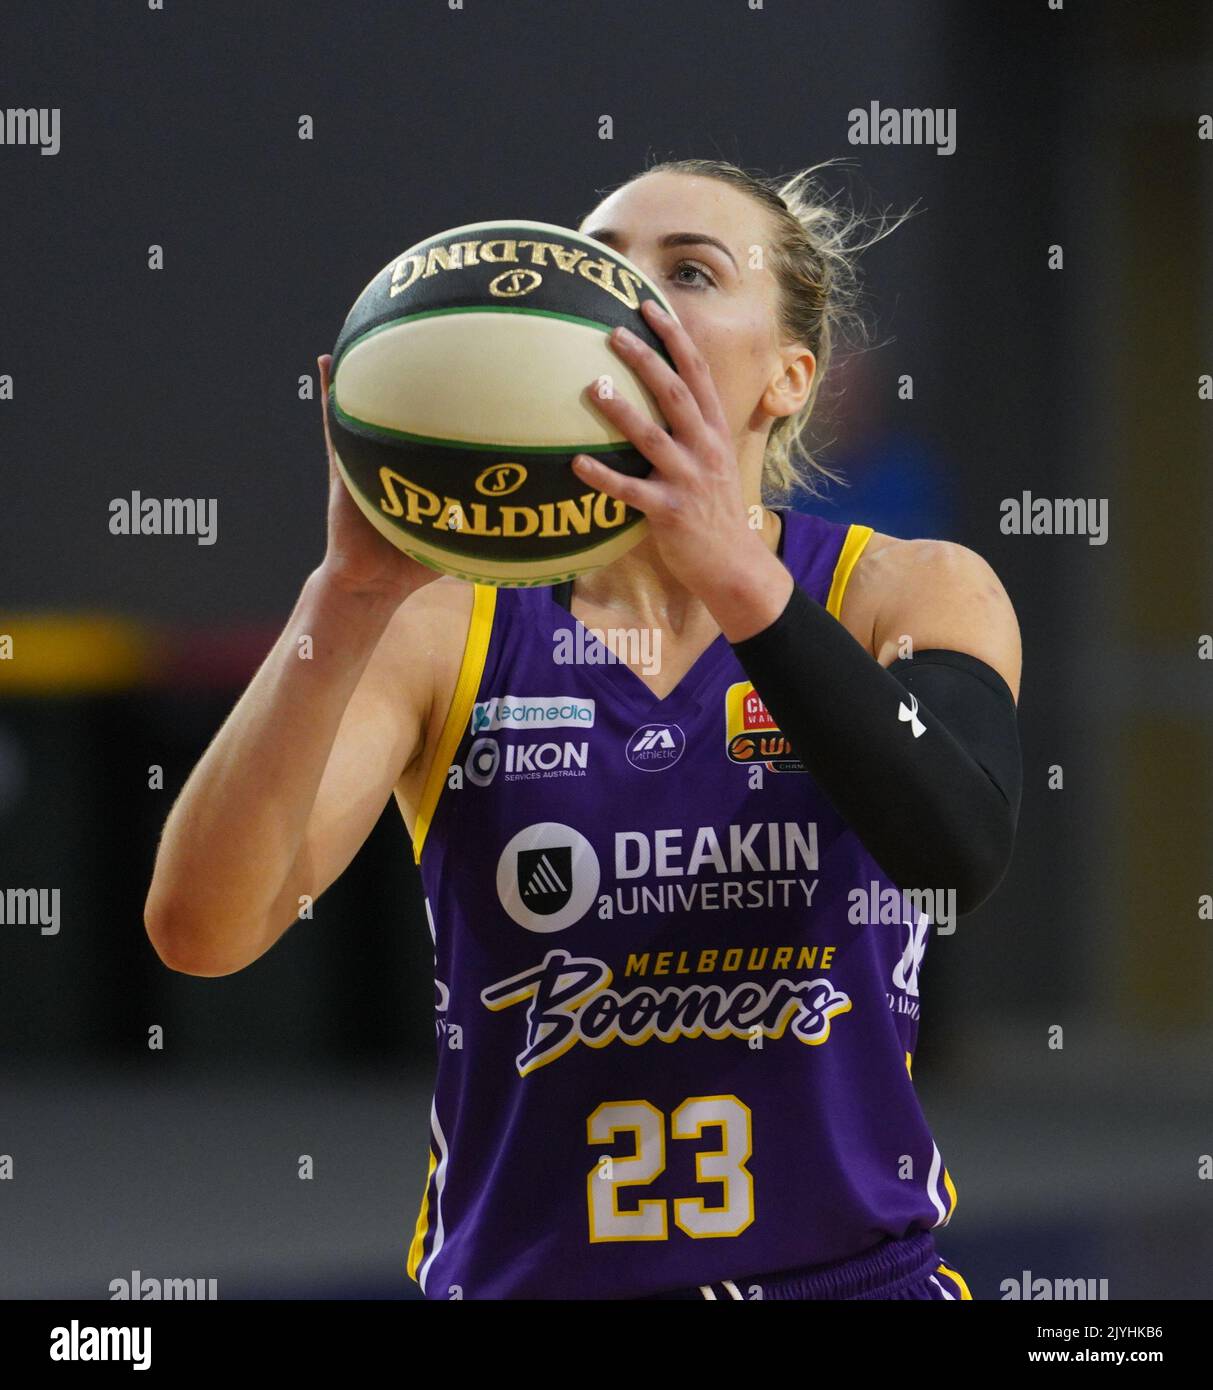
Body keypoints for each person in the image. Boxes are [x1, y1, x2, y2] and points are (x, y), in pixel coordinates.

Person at [144, 158, 1022, 1301]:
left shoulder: (905, 591)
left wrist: (734, 571)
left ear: (786, 378)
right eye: (604, 264)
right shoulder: (441, 625)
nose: (629, 302)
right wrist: (343, 598)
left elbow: (956, 850)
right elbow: (203, 932)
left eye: (692, 272)